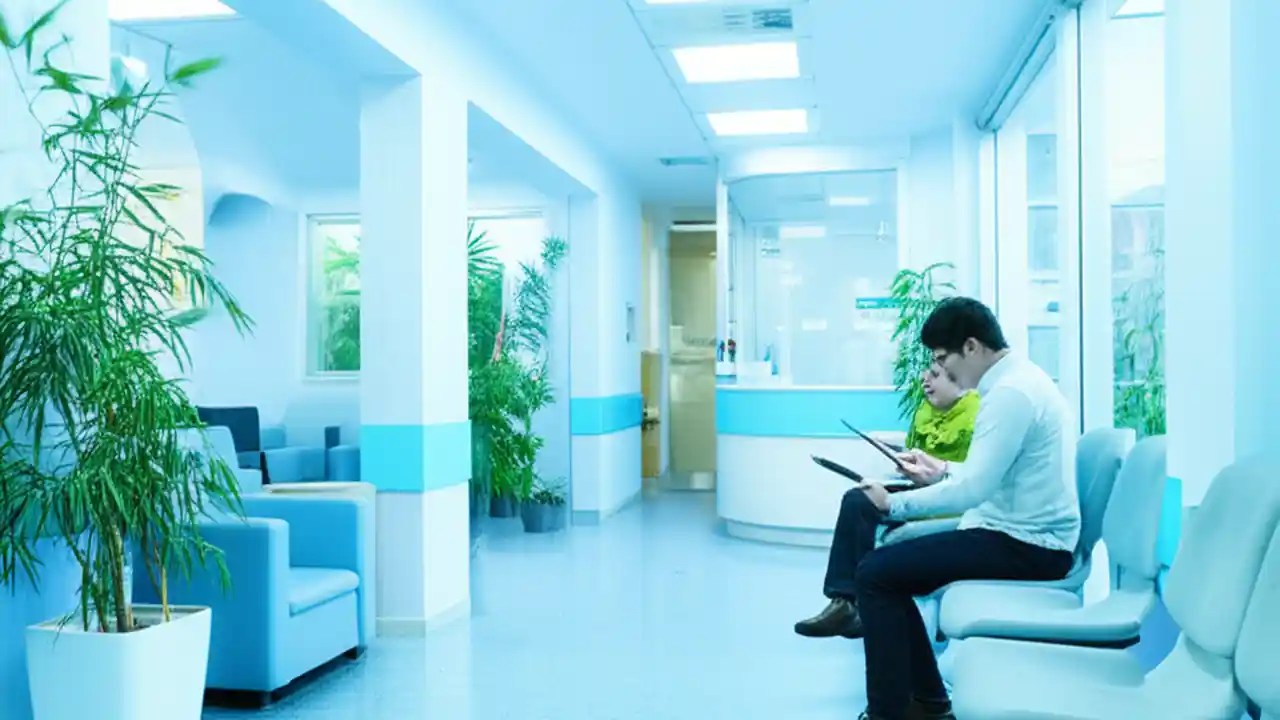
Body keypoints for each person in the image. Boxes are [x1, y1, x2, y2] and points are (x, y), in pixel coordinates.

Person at [823, 297, 1079, 720]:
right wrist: (942, 471)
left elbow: (974, 490)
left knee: (875, 573)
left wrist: (893, 502)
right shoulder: (1018, 381)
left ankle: (893, 710)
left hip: (1029, 546)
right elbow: (989, 474)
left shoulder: (1010, 394)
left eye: (944, 358)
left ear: (972, 347)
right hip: (1013, 531)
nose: (943, 371)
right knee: (883, 567)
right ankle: (926, 701)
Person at [794, 367, 978, 640]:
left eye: (935, 375)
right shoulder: (926, 412)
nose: (924, 380)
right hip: (922, 488)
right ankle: (845, 603)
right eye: (925, 374)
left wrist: (928, 479)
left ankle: (859, 609)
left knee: (871, 506)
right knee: (858, 498)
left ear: (959, 381)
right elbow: (920, 462)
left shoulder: (977, 416)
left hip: (948, 498)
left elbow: (970, 481)